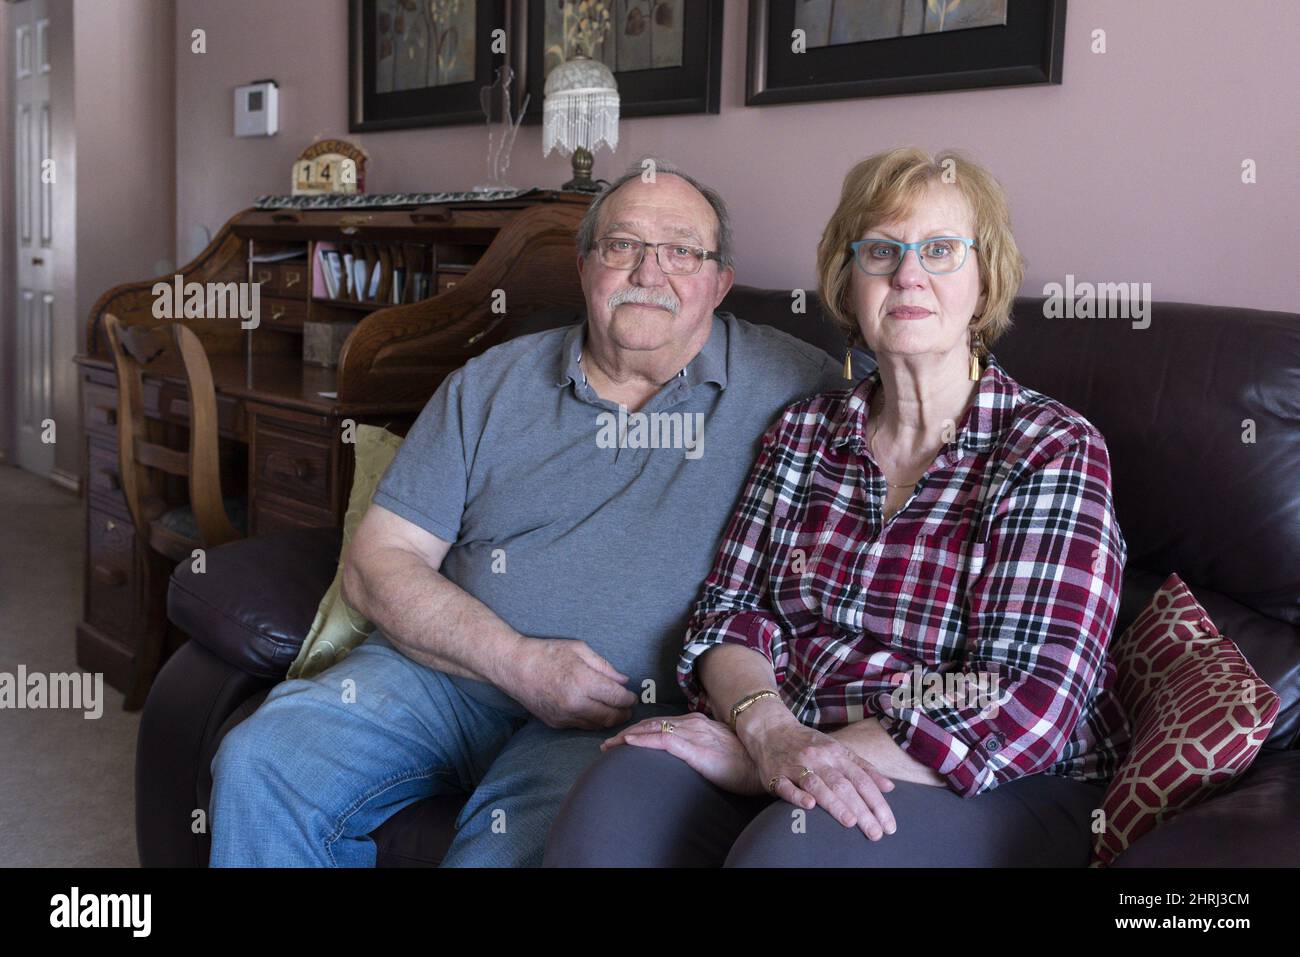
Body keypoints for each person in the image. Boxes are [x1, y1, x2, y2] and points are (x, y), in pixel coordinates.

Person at [207, 159, 859, 867]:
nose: (649, 272)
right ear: (585, 267)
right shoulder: (489, 384)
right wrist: (517, 661)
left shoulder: (800, 387)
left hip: (619, 711)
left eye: (682, 250)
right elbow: (378, 563)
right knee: (261, 759)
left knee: (513, 851)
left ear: (720, 280)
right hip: (444, 676)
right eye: (622, 245)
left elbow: (916, 448)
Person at [544, 147, 1132, 867]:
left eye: (940, 251)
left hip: (986, 778)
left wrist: (775, 758)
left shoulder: (1050, 447)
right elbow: (728, 614)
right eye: (881, 252)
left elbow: (1029, 697)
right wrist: (766, 733)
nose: (908, 274)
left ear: (984, 284)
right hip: (781, 739)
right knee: (617, 797)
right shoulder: (803, 431)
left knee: (788, 853)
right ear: (850, 282)